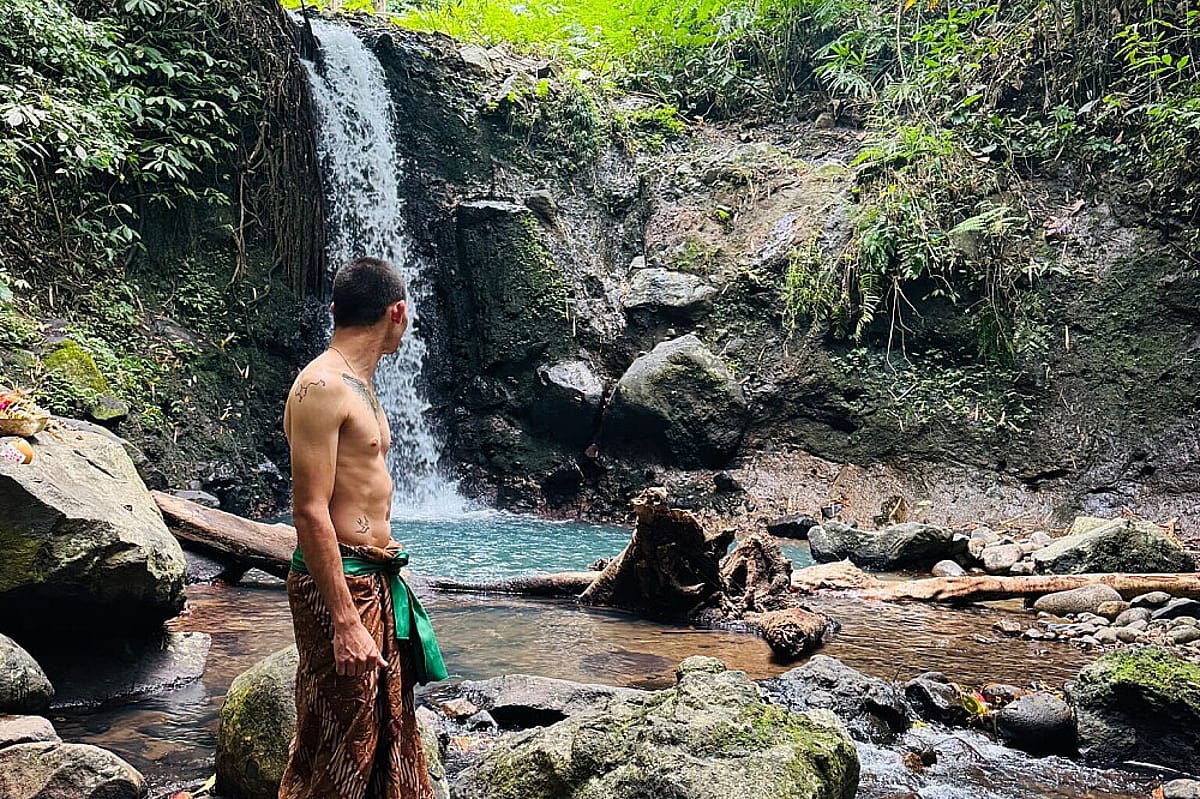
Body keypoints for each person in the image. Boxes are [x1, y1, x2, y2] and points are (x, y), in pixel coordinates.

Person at [279, 256, 447, 799]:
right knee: (339, 740)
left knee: (384, 734)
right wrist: (346, 620)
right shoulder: (321, 386)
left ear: (336, 311)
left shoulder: (359, 385)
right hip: (343, 586)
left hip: (373, 577)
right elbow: (309, 509)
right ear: (397, 313)